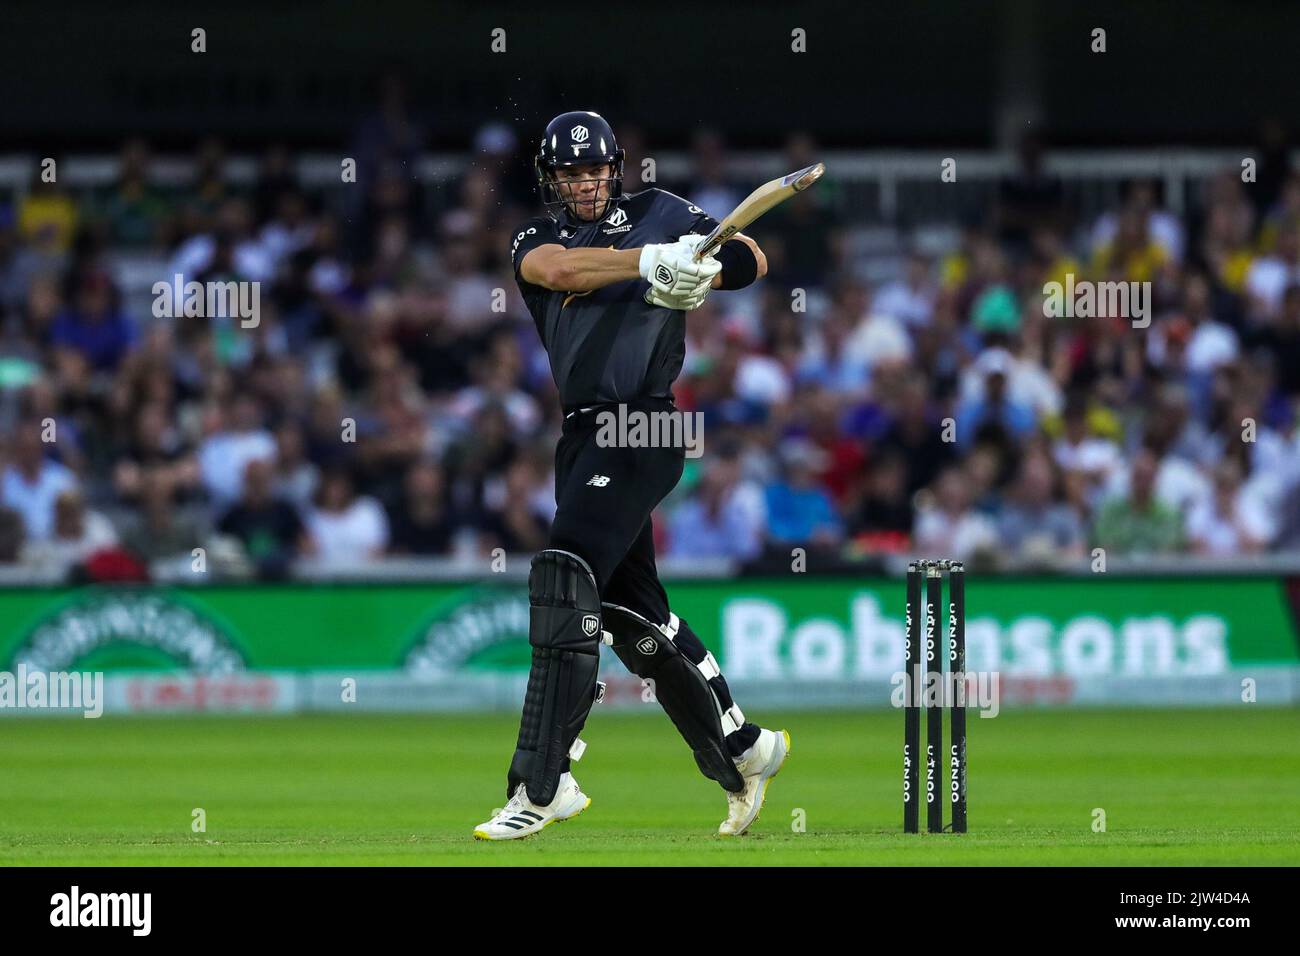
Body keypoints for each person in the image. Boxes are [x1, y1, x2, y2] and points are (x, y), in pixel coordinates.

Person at [474, 111, 785, 841]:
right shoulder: (536, 238)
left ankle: (542, 781)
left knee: (566, 571)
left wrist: (706, 268)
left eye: (594, 170)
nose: (584, 183)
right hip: (582, 434)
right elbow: (560, 273)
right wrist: (650, 264)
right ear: (551, 180)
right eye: (569, 174)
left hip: (646, 424)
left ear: (616, 168)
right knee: (630, 613)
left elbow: (751, 256)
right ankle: (741, 748)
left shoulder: (665, 211)